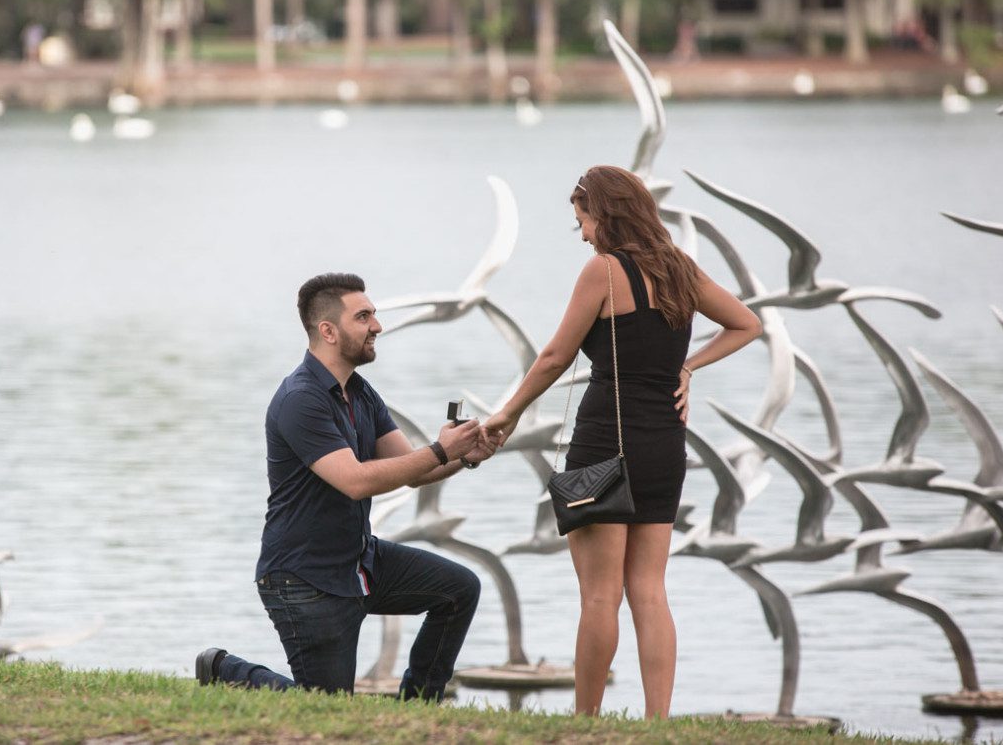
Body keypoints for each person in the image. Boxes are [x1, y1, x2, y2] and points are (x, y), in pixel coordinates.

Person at [484, 166, 761, 718]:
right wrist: (688, 367)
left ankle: (586, 721)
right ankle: (658, 722)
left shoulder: (604, 271)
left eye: (582, 220)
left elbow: (555, 357)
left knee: (599, 595)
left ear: (604, 215)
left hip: (604, 440)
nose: (582, 233)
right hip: (663, 440)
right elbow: (747, 324)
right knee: (651, 591)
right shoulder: (681, 268)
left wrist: (508, 415)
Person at [197, 272, 496, 701]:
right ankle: (224, 668)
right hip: (304, 578)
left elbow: (409, 468)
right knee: (330, 707)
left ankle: (418, 709)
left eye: (373, 315)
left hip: (359, 561)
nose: (377, 326)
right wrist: (441, 450)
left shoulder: (359, 391)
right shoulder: (301, 399)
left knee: (459, 590)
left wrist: (463, 454)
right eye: (364, 317)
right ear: (328, 331)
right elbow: (354, 481)